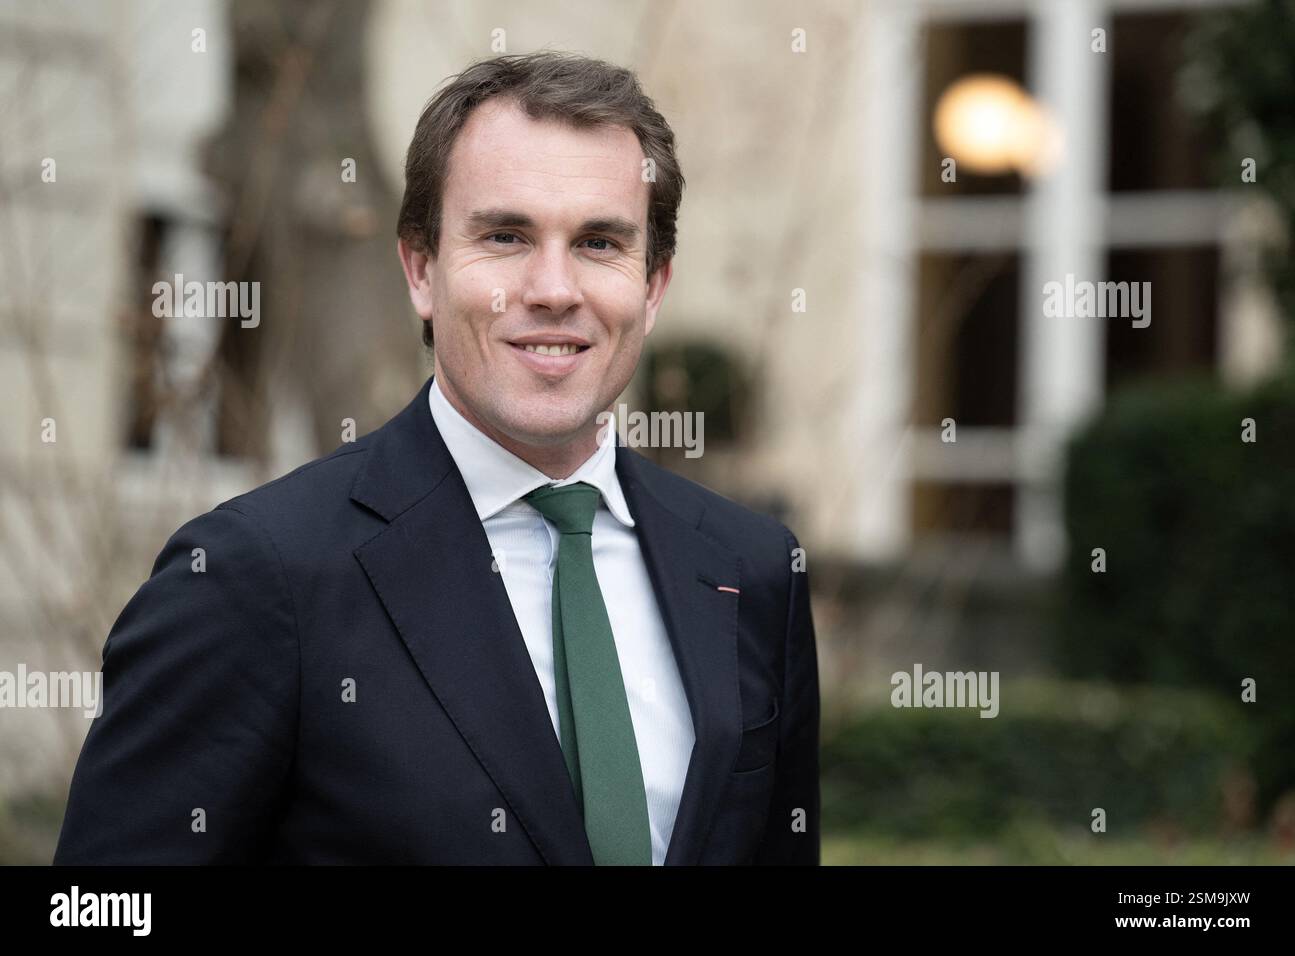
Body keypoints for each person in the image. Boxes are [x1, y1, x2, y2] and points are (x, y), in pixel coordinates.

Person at [54, 51, 819, 865]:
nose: (554, 287)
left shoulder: (752, 569)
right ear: (421, 269)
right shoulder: (252, 578)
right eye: (505, 235)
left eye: (599, 242)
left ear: (653, 285)